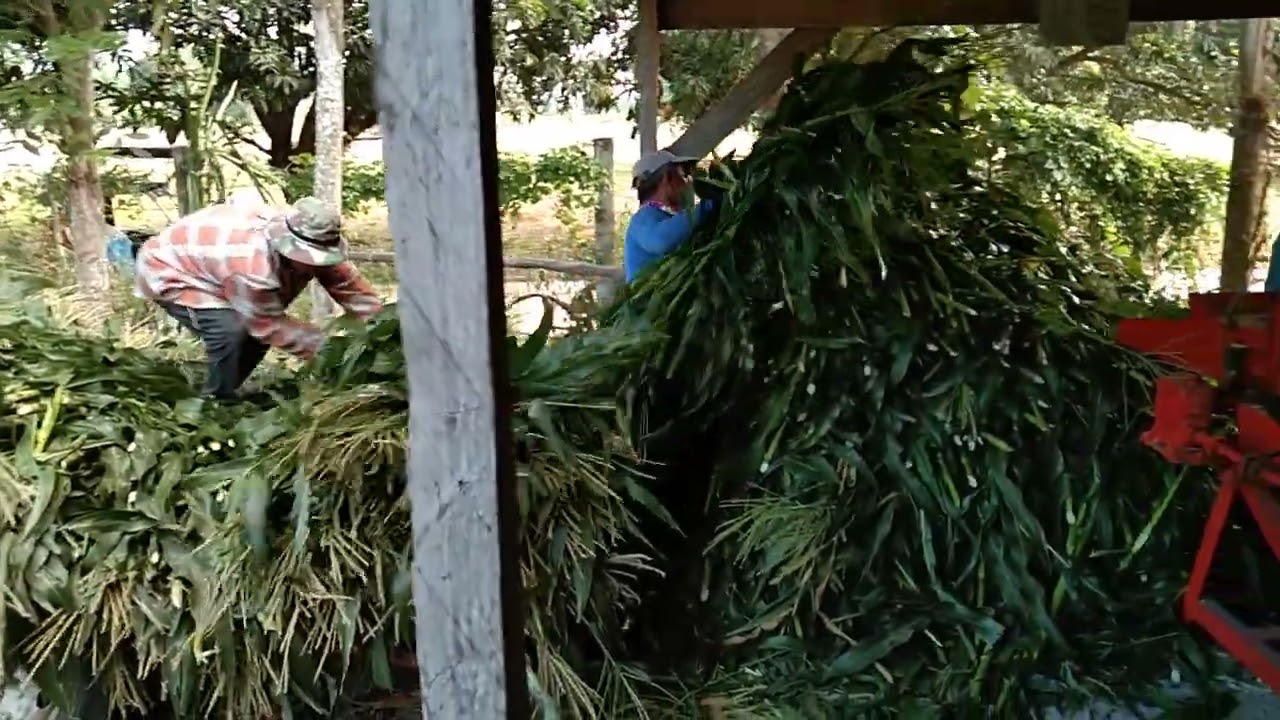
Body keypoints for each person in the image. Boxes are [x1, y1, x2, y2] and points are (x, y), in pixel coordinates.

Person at [134, 196, 383, 400]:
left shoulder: (314, 237)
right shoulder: (254, 266)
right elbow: (266, 324)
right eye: (306, 258)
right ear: (284, 245)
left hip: (216, 262)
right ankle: (215, 400)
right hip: (172, 269)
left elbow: (353, 291)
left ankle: (230, 382)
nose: (312, 266)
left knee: (257, 332)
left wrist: (385, 332)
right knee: (232, 331)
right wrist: (335, 354)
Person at [623, 149, 717, 283]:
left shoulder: (665, 217)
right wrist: (706, 207)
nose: (687, 182)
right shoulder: (642, 219)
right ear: (668, 179)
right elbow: (661, 240)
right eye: (683, 175)